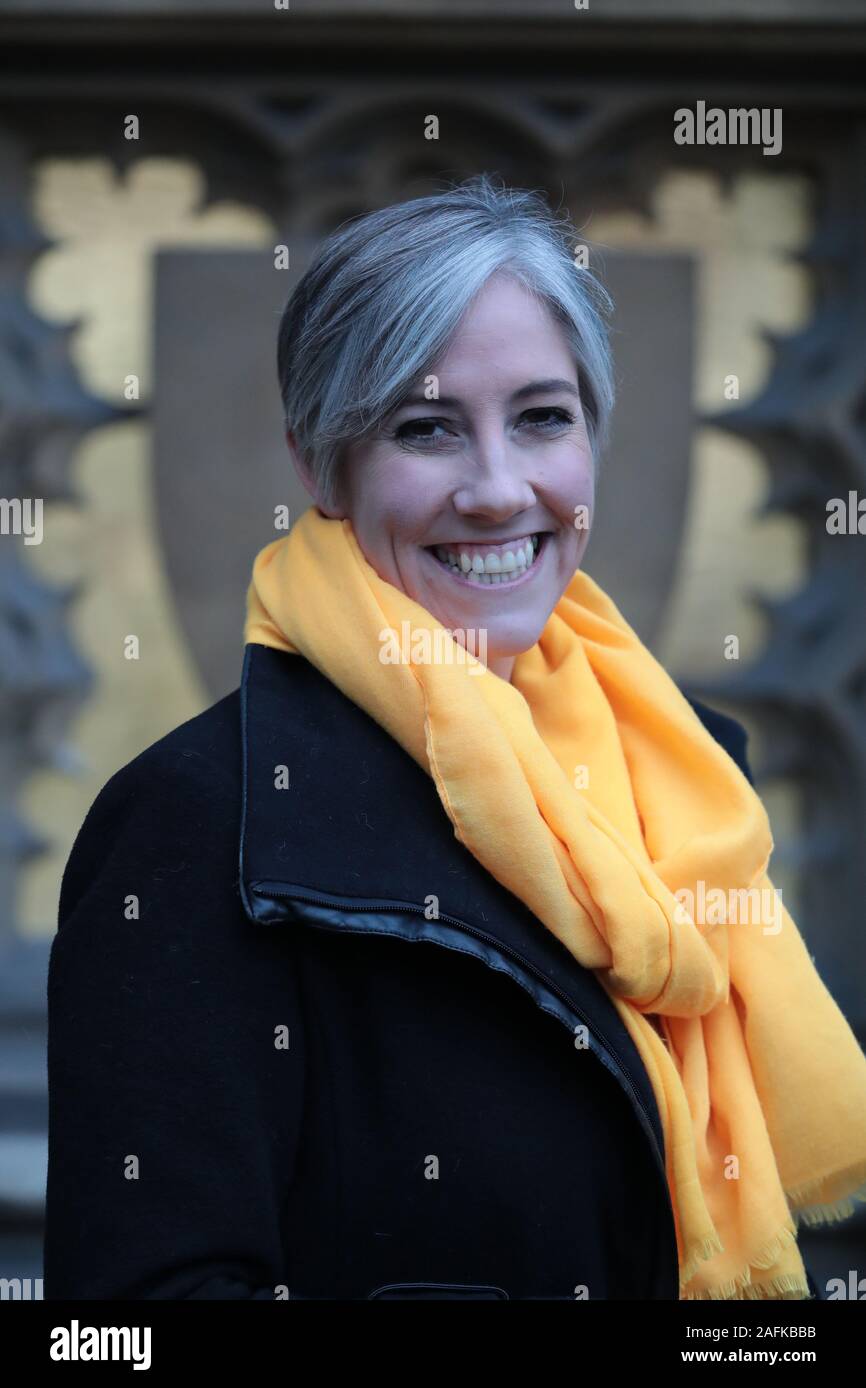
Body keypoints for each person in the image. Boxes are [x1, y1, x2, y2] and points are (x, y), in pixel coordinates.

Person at [44, 173, 866, 1301]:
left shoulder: (682, 780)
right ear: (317, 465)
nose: (497, 488)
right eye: (424, 429)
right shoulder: (199, 820)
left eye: (541, 417)